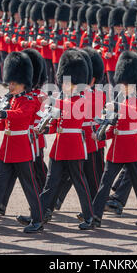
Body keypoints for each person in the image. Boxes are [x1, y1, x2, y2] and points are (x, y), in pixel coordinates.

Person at [0, 52, 44, 234]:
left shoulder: (29, 100)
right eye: (10, 81)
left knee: (29, 186)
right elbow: (4, 124)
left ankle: (38, 219)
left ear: (24, 82)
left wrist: (3, 114)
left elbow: (22, 115)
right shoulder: (11, 99)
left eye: (14, 82)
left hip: (22, 148)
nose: (11, 85)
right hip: (7, 148)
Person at [91, 51, 137, 227]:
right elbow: (116, 122)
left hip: (132, 146)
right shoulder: (123, 97)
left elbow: (136, 116)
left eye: (125, 83)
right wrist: (104, 132)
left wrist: (117, 107)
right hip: (118, 146)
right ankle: (95, 216)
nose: (123, 86)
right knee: (105, 182)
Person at [36, 50, 95, 230]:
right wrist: (43, 128)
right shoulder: (64, 98)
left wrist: (51, 100)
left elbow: (71, 110)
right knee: (50, 182)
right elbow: (57, 122)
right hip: (60, 145)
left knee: (79, 183)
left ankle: (89, 216)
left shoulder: (82, 98)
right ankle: (37, 215)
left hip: (74, 145)